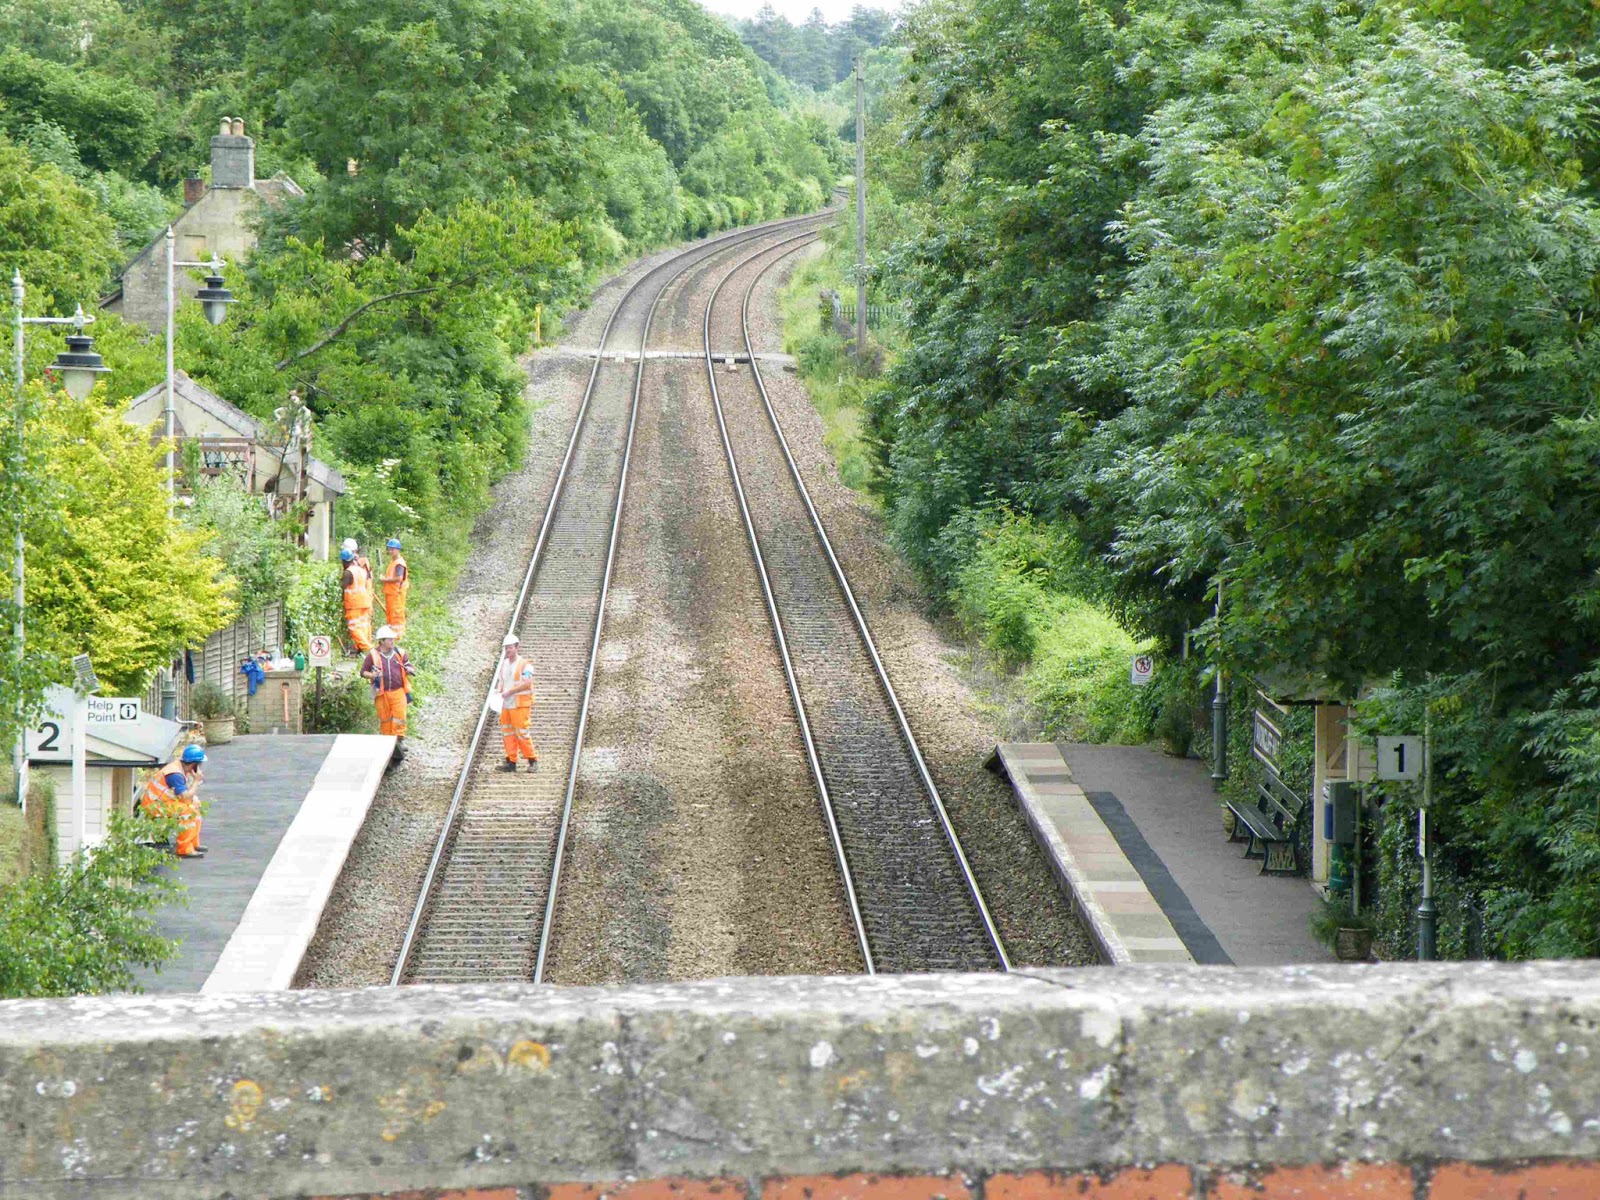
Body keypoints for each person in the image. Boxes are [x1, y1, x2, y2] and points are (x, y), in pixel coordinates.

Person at [140, 744, 208, 858]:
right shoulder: (175, 775)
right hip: (154, 806)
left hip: (162, 802)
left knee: (195, 803)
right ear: (194, 764)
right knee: (187, 812)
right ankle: (184, 849)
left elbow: (186, 796)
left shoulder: (178, 768)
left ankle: (193, 843)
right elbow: (185, 797)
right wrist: (196, 781)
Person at [361, 625, 416, 758]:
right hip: (381, 692)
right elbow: (363, 672)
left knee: (399, 716)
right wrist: (372, 675)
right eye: (390, 639)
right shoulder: (372, 655)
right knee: (385, 718)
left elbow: (408, 664)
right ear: (382, 641)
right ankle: (387, 742)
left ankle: (399, 740)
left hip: (398, 691)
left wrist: (410, 669)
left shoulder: (399, 653)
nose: (392, 641)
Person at [493, 632, 538, 772]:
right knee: (508, 733)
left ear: (516, 647)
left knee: (522, 732)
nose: (508, 650)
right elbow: (502, 681)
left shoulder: (525, 665)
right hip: (506, 705)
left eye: (510, 647)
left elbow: (527, 683)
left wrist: (510, 692)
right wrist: (498, 691)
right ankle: (511, 761)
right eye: (506, 648)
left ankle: (532, 760)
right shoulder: (504, 664)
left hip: (519, 704)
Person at [341, 547, 374, 654]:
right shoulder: (360, 570)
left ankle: (367, 648)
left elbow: (342, 586)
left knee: (353, 627)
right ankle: (361, 647)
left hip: (354, 603)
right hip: (365, 601)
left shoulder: (348, 573)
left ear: (344, 561)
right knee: (363, 625)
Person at [380, 538, 410, 638]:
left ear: (398, 549)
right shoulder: (394, 562)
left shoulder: (399, 564)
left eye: (392, 549)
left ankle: (397, 636)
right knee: (390, 615)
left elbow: (399, 578)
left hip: (397, 595)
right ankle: (391, 635)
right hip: (391, 594)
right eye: (389, 549)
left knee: (396, 616)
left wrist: (385, 580)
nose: (390, 551)